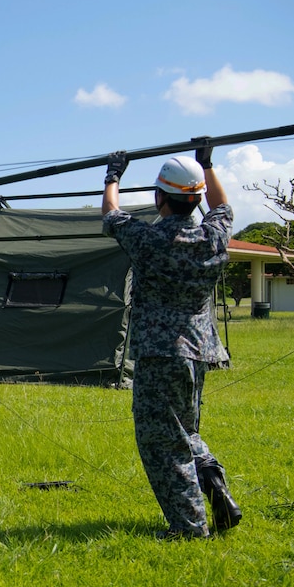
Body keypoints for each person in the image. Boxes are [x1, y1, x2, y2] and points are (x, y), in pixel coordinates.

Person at [102, 139, 243, 540]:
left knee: (163, 441)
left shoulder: (148, 241)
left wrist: (113, 175)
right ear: (195, 198)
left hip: (160, 354)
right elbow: (222, 207)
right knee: (186, 429)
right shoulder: (213, 237)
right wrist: (207, 163)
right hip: (199, 353)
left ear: (159, 197)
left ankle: (188, 526)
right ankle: (215, 489)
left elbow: (111, 213)